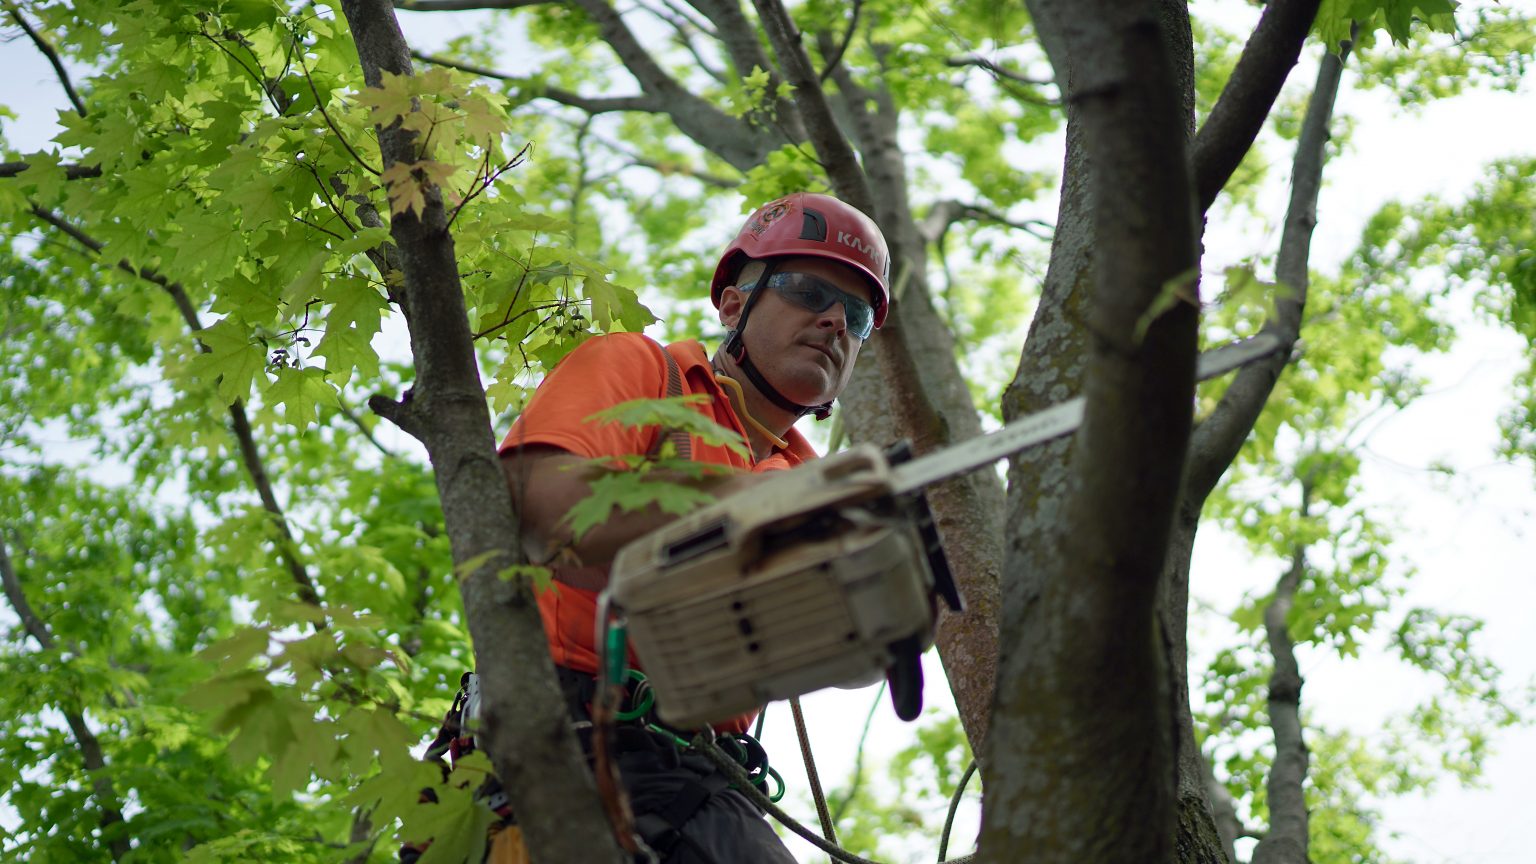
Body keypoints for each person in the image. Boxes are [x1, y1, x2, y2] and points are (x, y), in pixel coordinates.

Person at [497, 191, 891, 863]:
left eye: (855, 316)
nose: (833, 321)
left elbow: (847, 645)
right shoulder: (645, 372)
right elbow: (541, 507)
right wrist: (749, 504)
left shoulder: (809, 477)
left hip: (706, 775)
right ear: (734, 306)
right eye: (808, 292)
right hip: (571, 736)